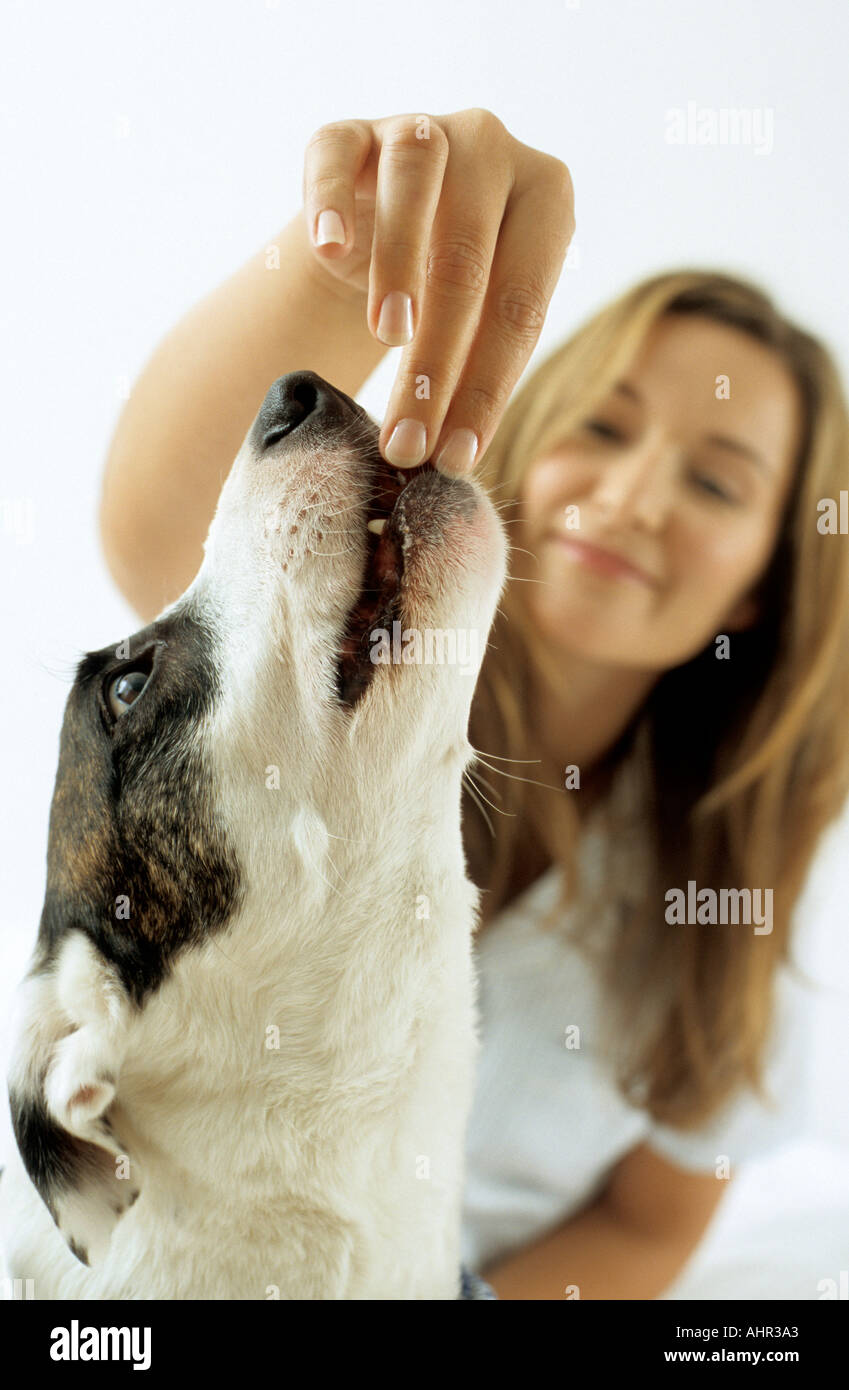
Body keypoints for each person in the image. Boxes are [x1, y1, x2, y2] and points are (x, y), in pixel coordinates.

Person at [98, 108, 849, 1299]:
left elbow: (655, 1224)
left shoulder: (733, 891)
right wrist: (347, 257)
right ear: (533, 436)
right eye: (602, 426)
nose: (636, 495)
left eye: (715, 480)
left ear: (767, 580)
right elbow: (156, 530)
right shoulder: (351, 650)